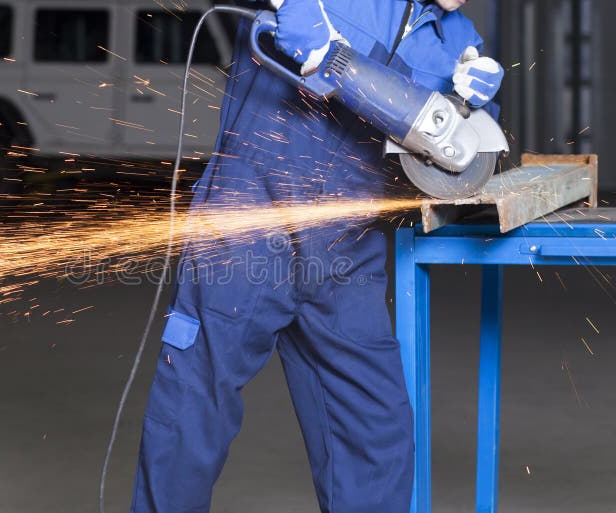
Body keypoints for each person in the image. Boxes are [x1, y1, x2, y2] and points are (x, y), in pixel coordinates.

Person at [130, 1, 503, 512]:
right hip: (249, 226)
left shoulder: (457, 38)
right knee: (193, 414)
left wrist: (476, 107)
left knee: (374, 430)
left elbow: (462, 154)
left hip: (347, 248)